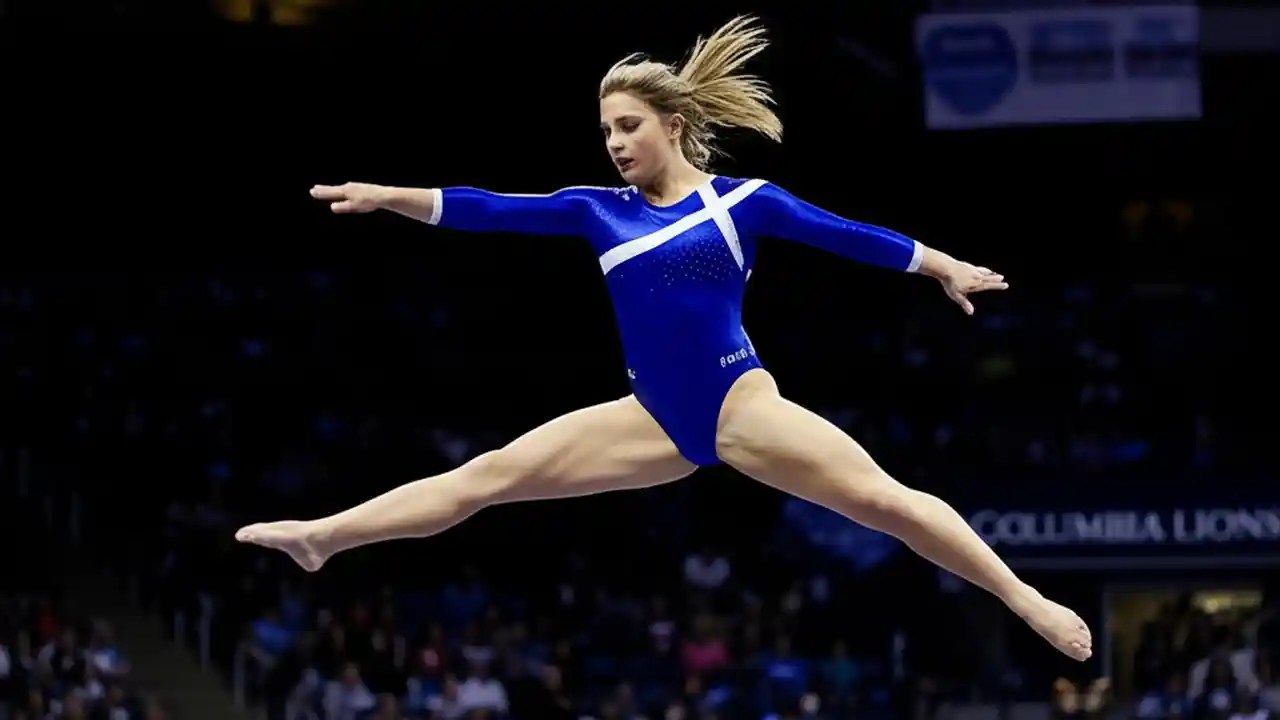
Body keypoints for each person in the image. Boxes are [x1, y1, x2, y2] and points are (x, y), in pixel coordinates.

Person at [236, 15, 1092, 661]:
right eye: (606, 131)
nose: (614, 144)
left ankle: (1023, 599)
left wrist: (942, 266)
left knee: (885, 503)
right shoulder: (594, 210)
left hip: (737, 401)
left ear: (671, 125)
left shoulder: (741, 203)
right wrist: (395, 196)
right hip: (651, 417)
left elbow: (848, 234)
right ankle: (325, 537)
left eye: (628, 127)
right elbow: (491, 208)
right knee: (483, 480)